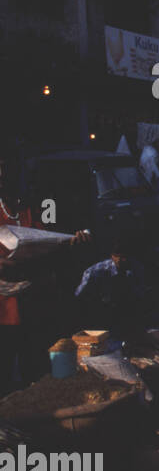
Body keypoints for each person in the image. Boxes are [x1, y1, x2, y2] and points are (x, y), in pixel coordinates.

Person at [0, 153, 91, 393]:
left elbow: (50, 238)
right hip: (3, 306)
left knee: (36, 369)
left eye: (6, 169)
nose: (1, 176)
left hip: (35, 300)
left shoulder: (37, 205)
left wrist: (72, 240)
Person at [74, 235, 147, 334]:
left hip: (124, 311)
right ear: (112, 256)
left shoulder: (136, 268)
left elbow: (140, 293)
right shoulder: (95, 272)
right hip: (98, 313)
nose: (122, 260)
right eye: (118, 256)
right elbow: (80, 296)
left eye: (125, 257)